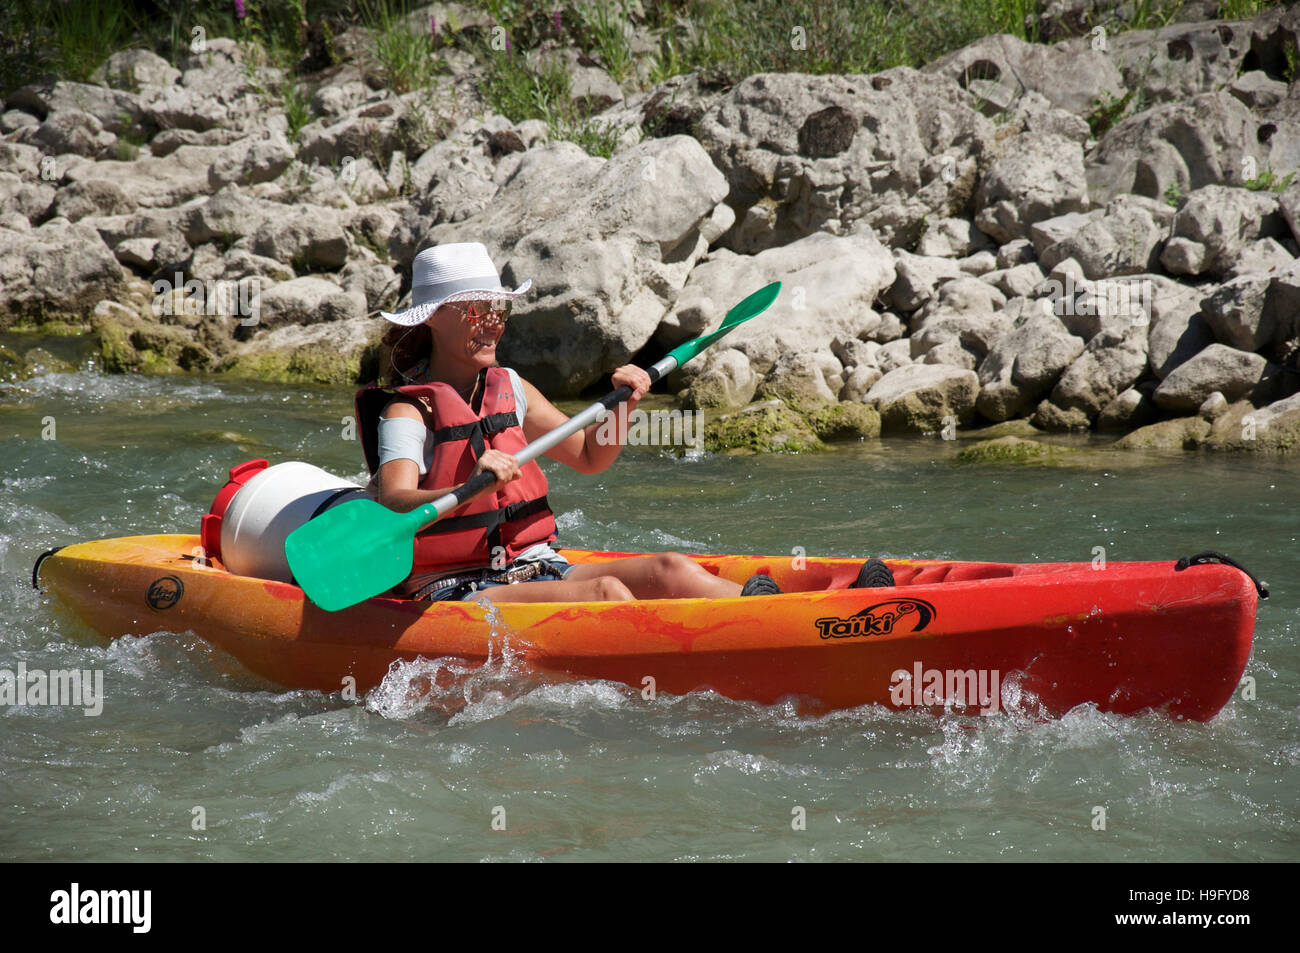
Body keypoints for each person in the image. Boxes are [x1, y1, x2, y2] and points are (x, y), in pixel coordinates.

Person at [356, 242, 894, 604]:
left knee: (669, 569)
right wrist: (468, 487)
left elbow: (592, 457)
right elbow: (393, 503)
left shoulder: (512, 388)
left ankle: (829, 609)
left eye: (497, 309)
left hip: (533, 563)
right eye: (475, 311)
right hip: (455, 586)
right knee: (607, 593)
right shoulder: (410, 410)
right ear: (432, 319)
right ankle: (788, 626)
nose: (492, 323)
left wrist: (623, 406)